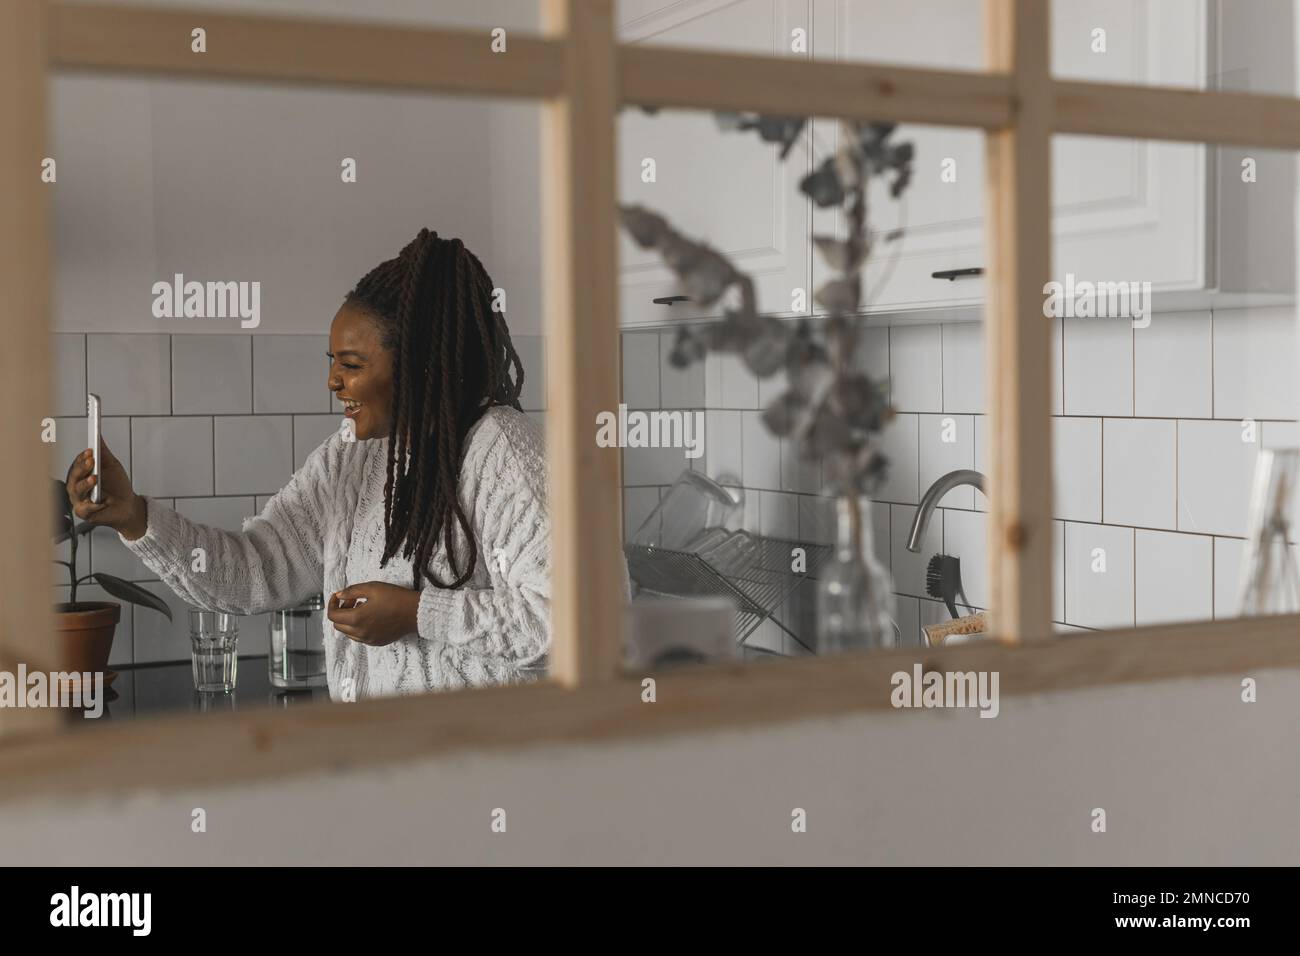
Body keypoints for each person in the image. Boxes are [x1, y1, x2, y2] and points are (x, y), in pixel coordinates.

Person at [65, 229, 575, 699]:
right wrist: (134, 518)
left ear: (420, 364)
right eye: (331, 362)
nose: (333, 381)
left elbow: (574, 622)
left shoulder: (501, 449)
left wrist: (418, 613)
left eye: (351, 365)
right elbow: (253, 570)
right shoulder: (350, 455)